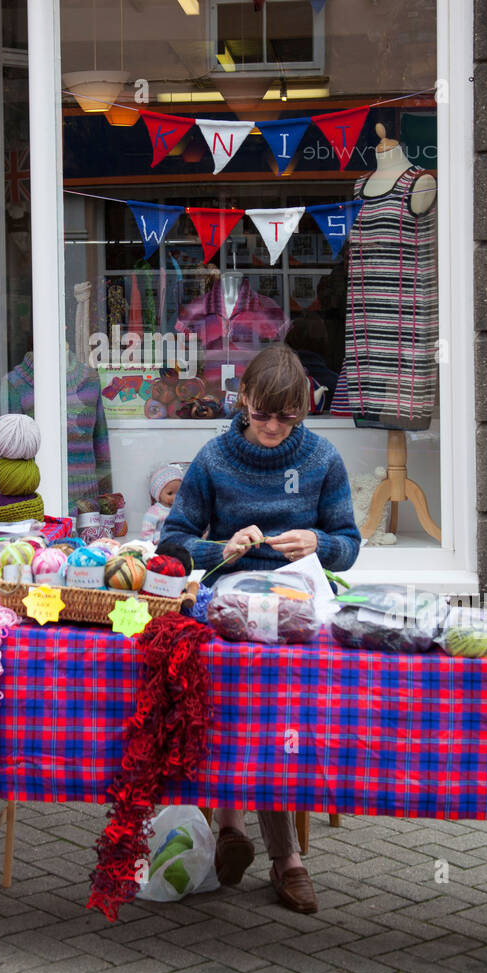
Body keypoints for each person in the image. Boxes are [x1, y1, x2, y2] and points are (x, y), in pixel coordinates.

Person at [160, 343, 360, 915]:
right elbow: (170, 543)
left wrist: (320, 542)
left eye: (287, 415)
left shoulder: (321, 459)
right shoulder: (214, 459)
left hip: (297, 608)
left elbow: (348, 548)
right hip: (229, 607)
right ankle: (264, 846)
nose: (272, 426)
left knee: (275, 714)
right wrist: (218, 548)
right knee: (224, 700)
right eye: (262, 413)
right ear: (242, 398)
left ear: (303, 407)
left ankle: (266, 846)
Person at [141, 463, 184, 542]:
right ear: (158, 494)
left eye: (179, 492)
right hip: (161, 545)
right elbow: (146, 533)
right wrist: (154, 539)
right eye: (170, 493)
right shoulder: (154, 512)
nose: (175, 497)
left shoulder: (182, 508)